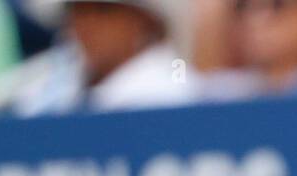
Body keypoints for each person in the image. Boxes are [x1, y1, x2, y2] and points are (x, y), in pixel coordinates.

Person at [14, 0, 191, 116]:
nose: (87, 24)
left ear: (146, 20)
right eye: (78, 10)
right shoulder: (44, 90)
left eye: (103, 9)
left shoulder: (172, 90)